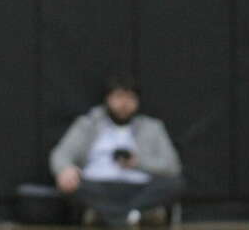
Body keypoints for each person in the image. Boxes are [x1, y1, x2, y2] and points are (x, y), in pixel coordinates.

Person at [49, 75, 184, 227]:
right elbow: (60, 154)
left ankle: (107, 216)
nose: (124, 104)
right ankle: (133, 216)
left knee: (175, 184)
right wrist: (65, 169)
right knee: (69, 184)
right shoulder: (88, 124)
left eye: (130, 98)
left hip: (138, 187)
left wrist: (138, 162)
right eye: (119, 97)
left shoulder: (152, 127)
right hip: (98, 186)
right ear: (107, 99)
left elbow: (173, 166)